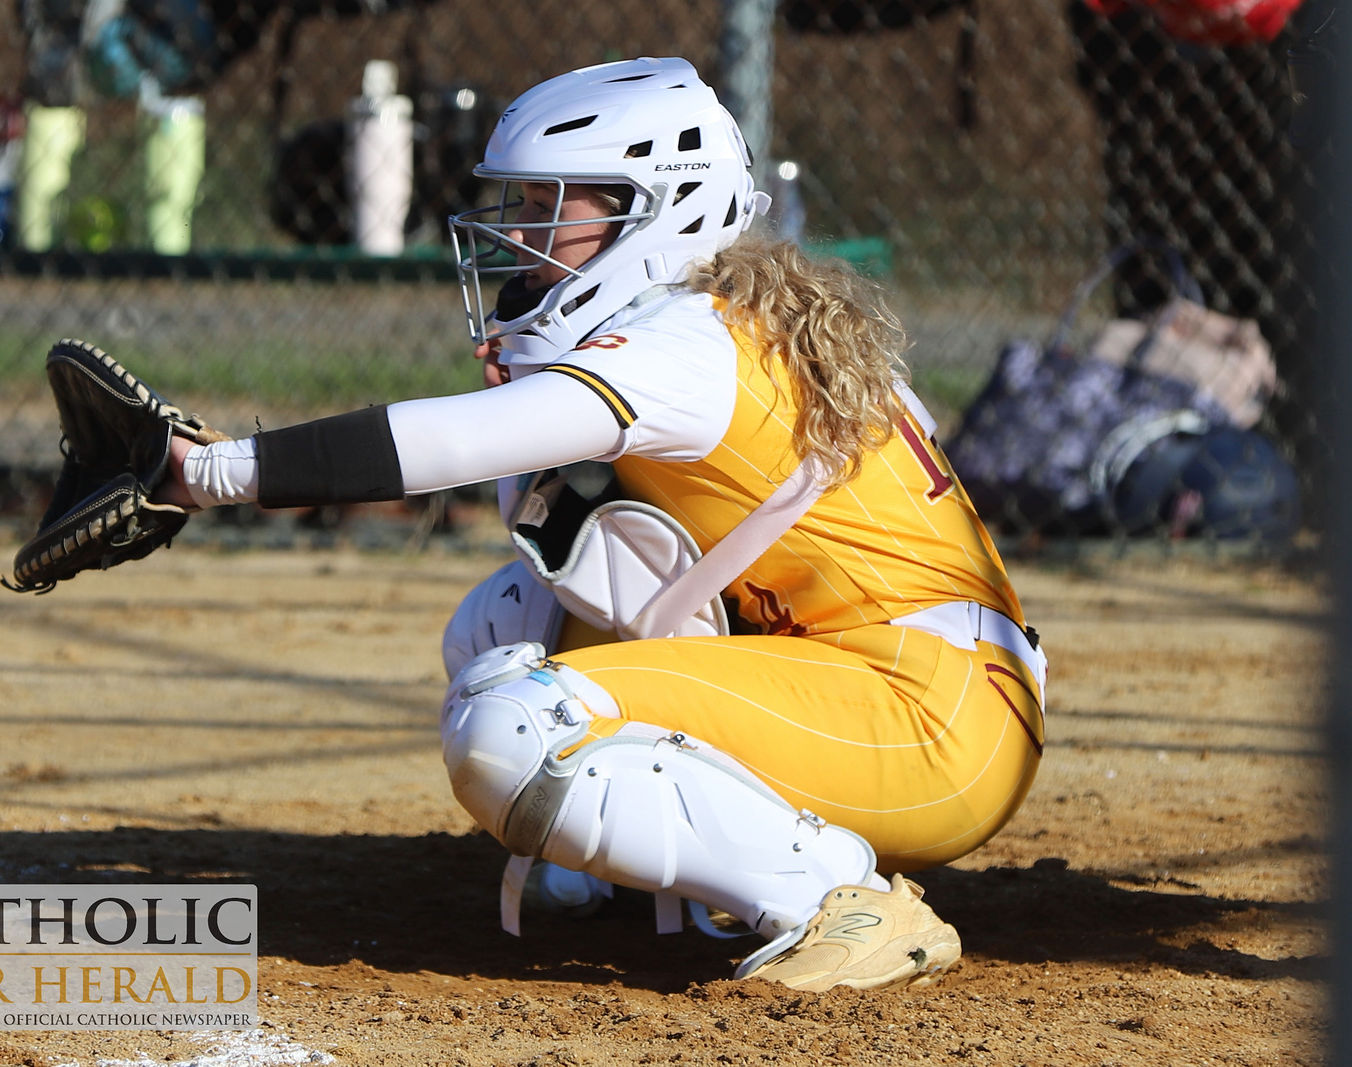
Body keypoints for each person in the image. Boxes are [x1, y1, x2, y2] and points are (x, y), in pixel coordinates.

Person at [154, 56, 1046, 992]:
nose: (521, 233)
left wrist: (209, 474)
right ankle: (639, 868)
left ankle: (838, 898)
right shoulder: (715, 315)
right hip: (892, 671)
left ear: (657, 210)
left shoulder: (689, 344)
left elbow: (456, 444)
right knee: (506, 622)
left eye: (552, 203)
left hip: (932, 715)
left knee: (511, 727)